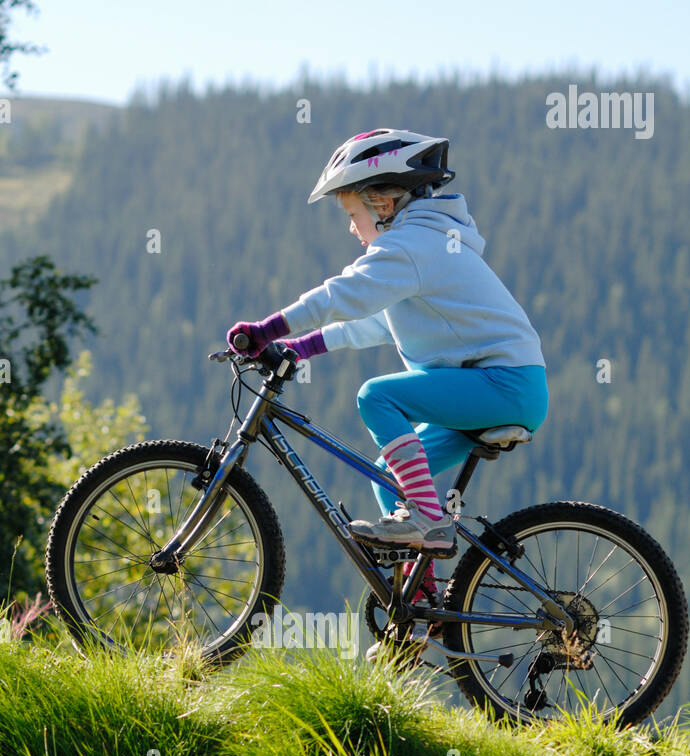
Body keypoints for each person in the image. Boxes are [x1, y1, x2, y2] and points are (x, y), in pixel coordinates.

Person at [226, 127, 548, 606]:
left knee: (377, 396)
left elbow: (344, 295)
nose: (350, 228)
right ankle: (424, 606)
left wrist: (267, 329)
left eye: (352, 213)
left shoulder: (411, 245)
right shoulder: (427, 243)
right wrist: (300, 347)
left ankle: (427, 518)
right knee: (387, 477)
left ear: (382, 204)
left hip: (502, 385)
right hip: (501, 387)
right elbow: (376, 323)